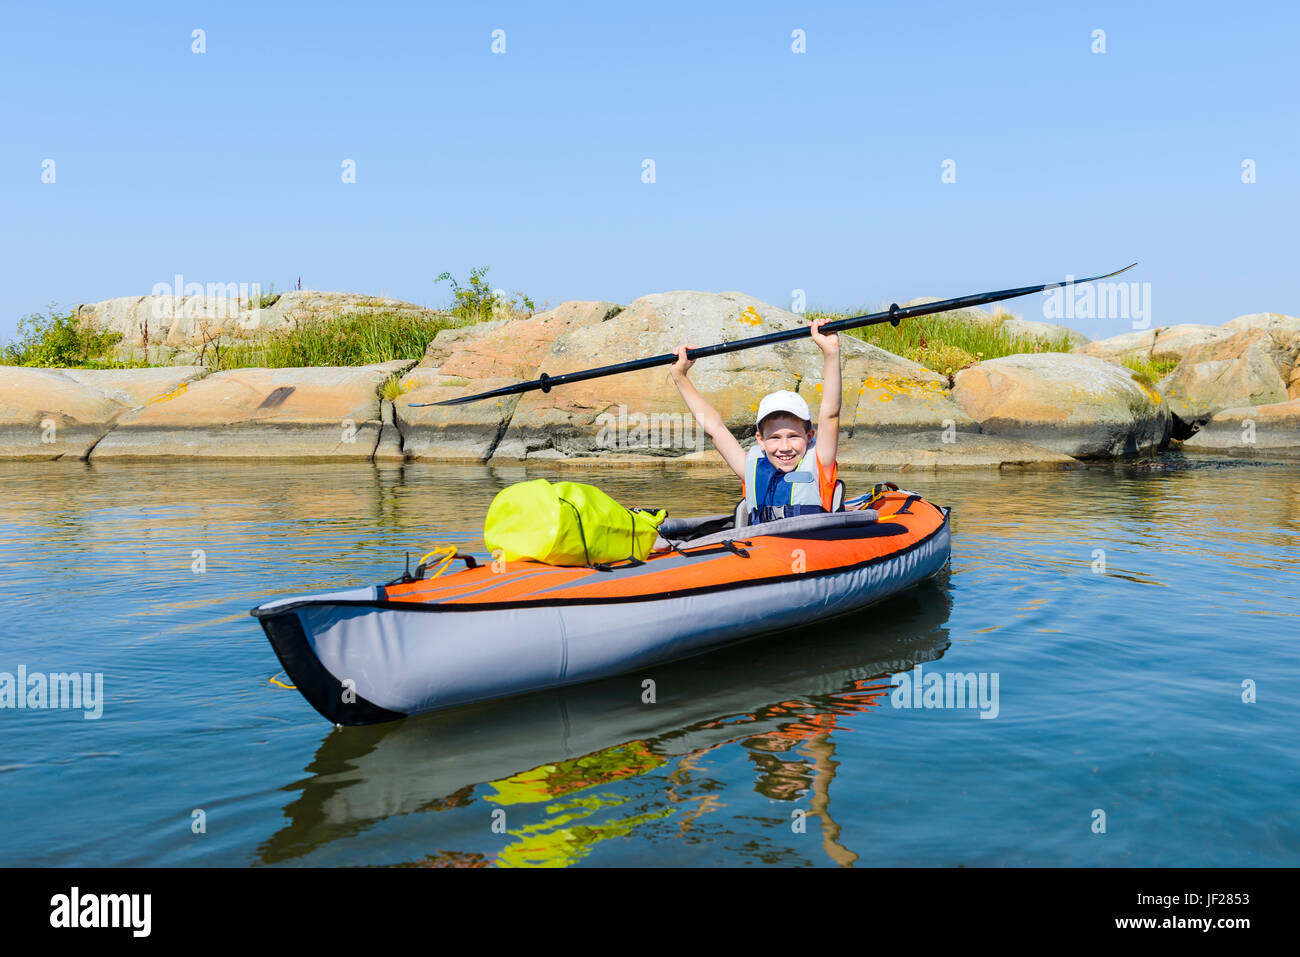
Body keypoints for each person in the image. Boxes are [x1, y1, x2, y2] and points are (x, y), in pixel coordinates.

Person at [669, 317, 840, 524]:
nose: (784, 447)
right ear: (760, 440)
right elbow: (715, 428)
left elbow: (830, 414)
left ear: (810, 435)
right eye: (774, 437)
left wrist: (831, 353)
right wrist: (680, 376)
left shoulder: (821, 461)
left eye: (793, 436)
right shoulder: (749, 467)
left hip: (812, 549)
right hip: (763, 550)